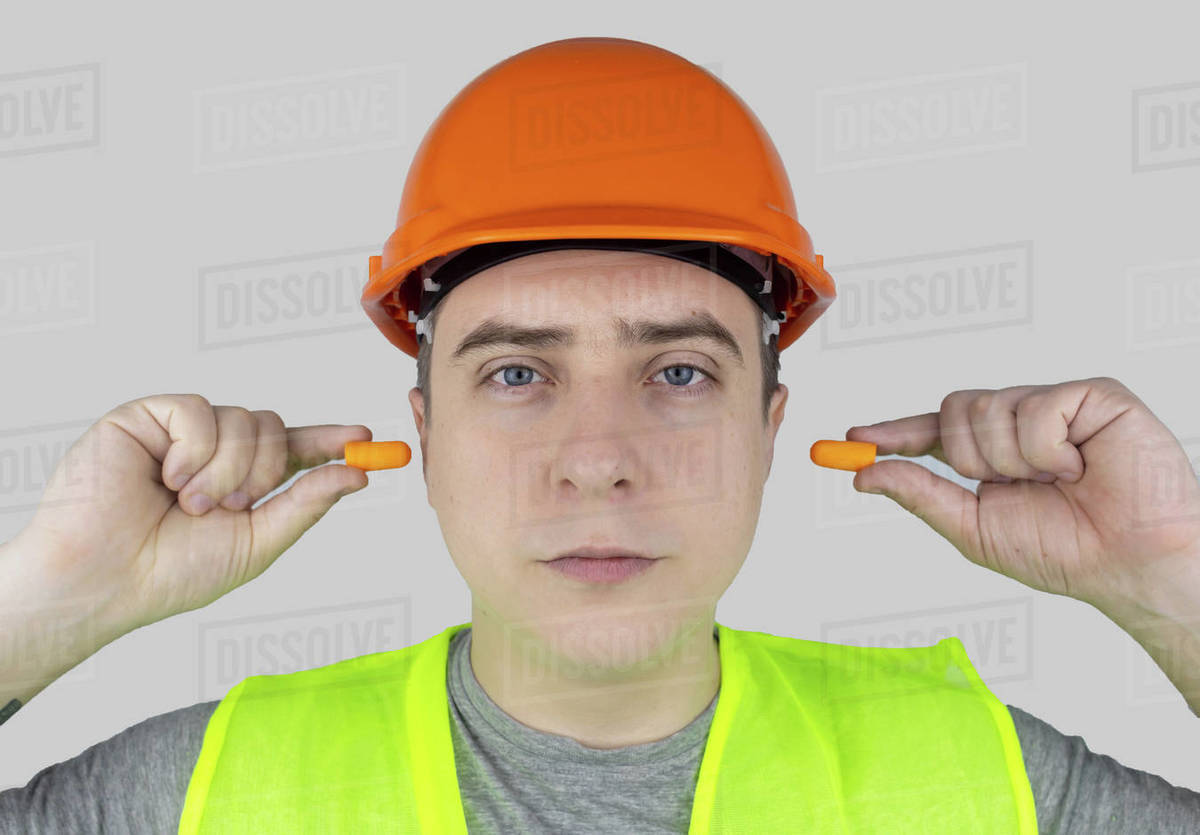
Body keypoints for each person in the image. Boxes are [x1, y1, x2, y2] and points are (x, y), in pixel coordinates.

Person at [4, 36, 1200, 834]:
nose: (598, 455)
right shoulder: (201, 794)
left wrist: (1169, 585)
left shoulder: (986, 780)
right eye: (519, 373)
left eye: (678, 371)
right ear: (422, 435)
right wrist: (53, 601)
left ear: (771, 428)